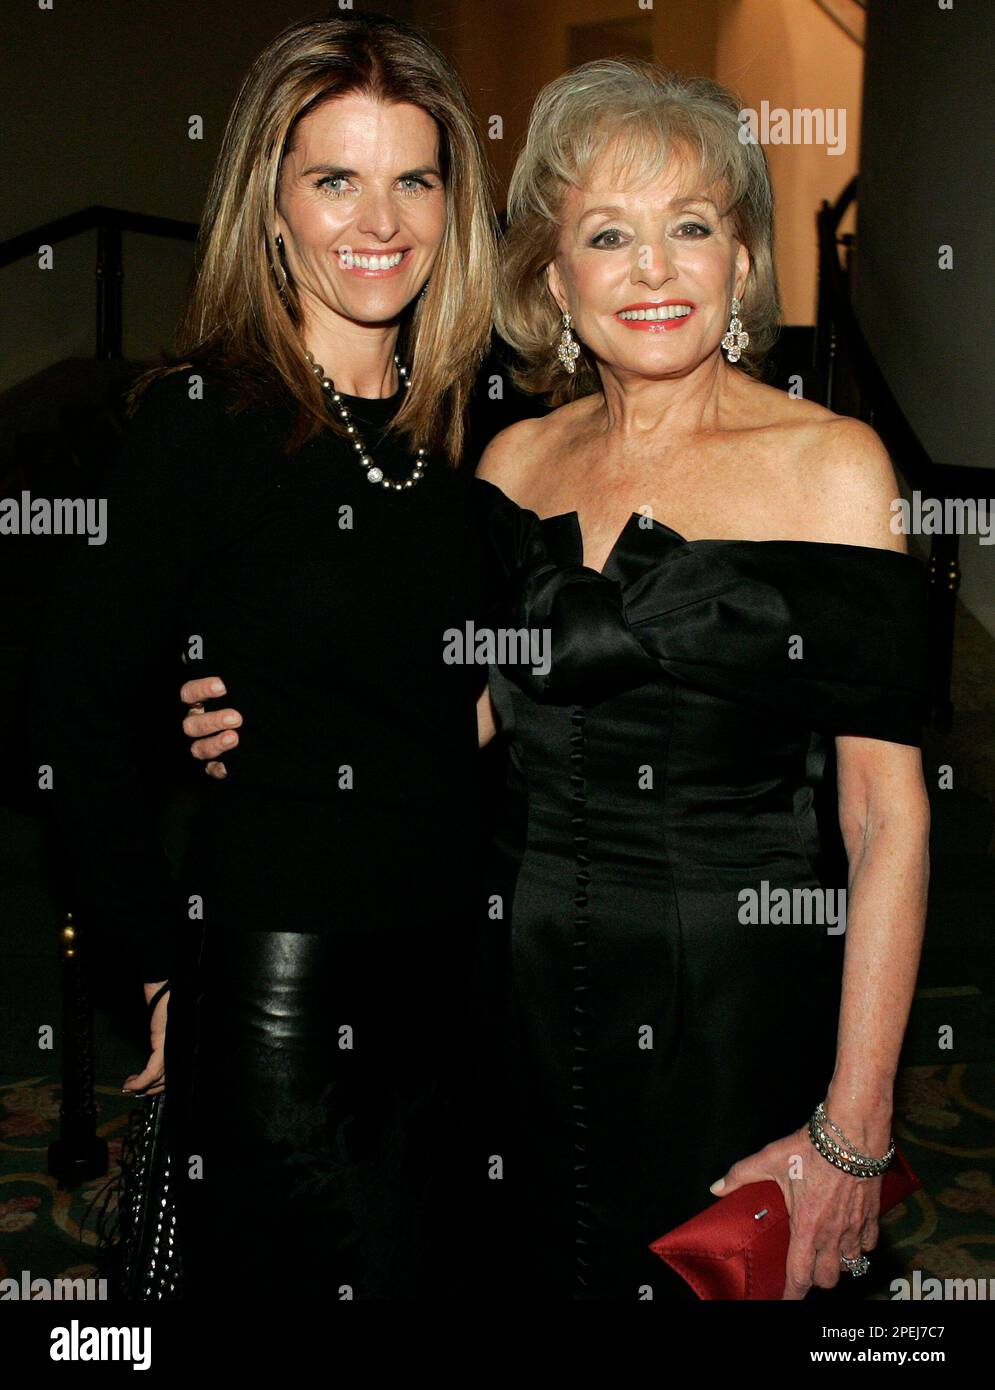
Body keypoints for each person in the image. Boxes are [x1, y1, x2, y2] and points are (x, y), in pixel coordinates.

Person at [182, 61, 930, 1303]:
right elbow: (445, 715)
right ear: (551, 279)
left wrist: (853, 1120)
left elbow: (886, 817)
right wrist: (252, 709)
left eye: (690, 227)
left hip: (736, 1007)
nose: (651, 269)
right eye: (606, 235)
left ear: (740, 266)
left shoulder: (833, 465)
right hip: (503, 1005)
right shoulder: (511, 462)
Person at [30, 12, 500, 1300]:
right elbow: (71, 705)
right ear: (271, 207)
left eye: (413, 176)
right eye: (334, 178)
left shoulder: (477, 425)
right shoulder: (204, 419)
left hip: (459, 964)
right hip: (282, 977)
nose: (380, 218)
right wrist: (148, 963)